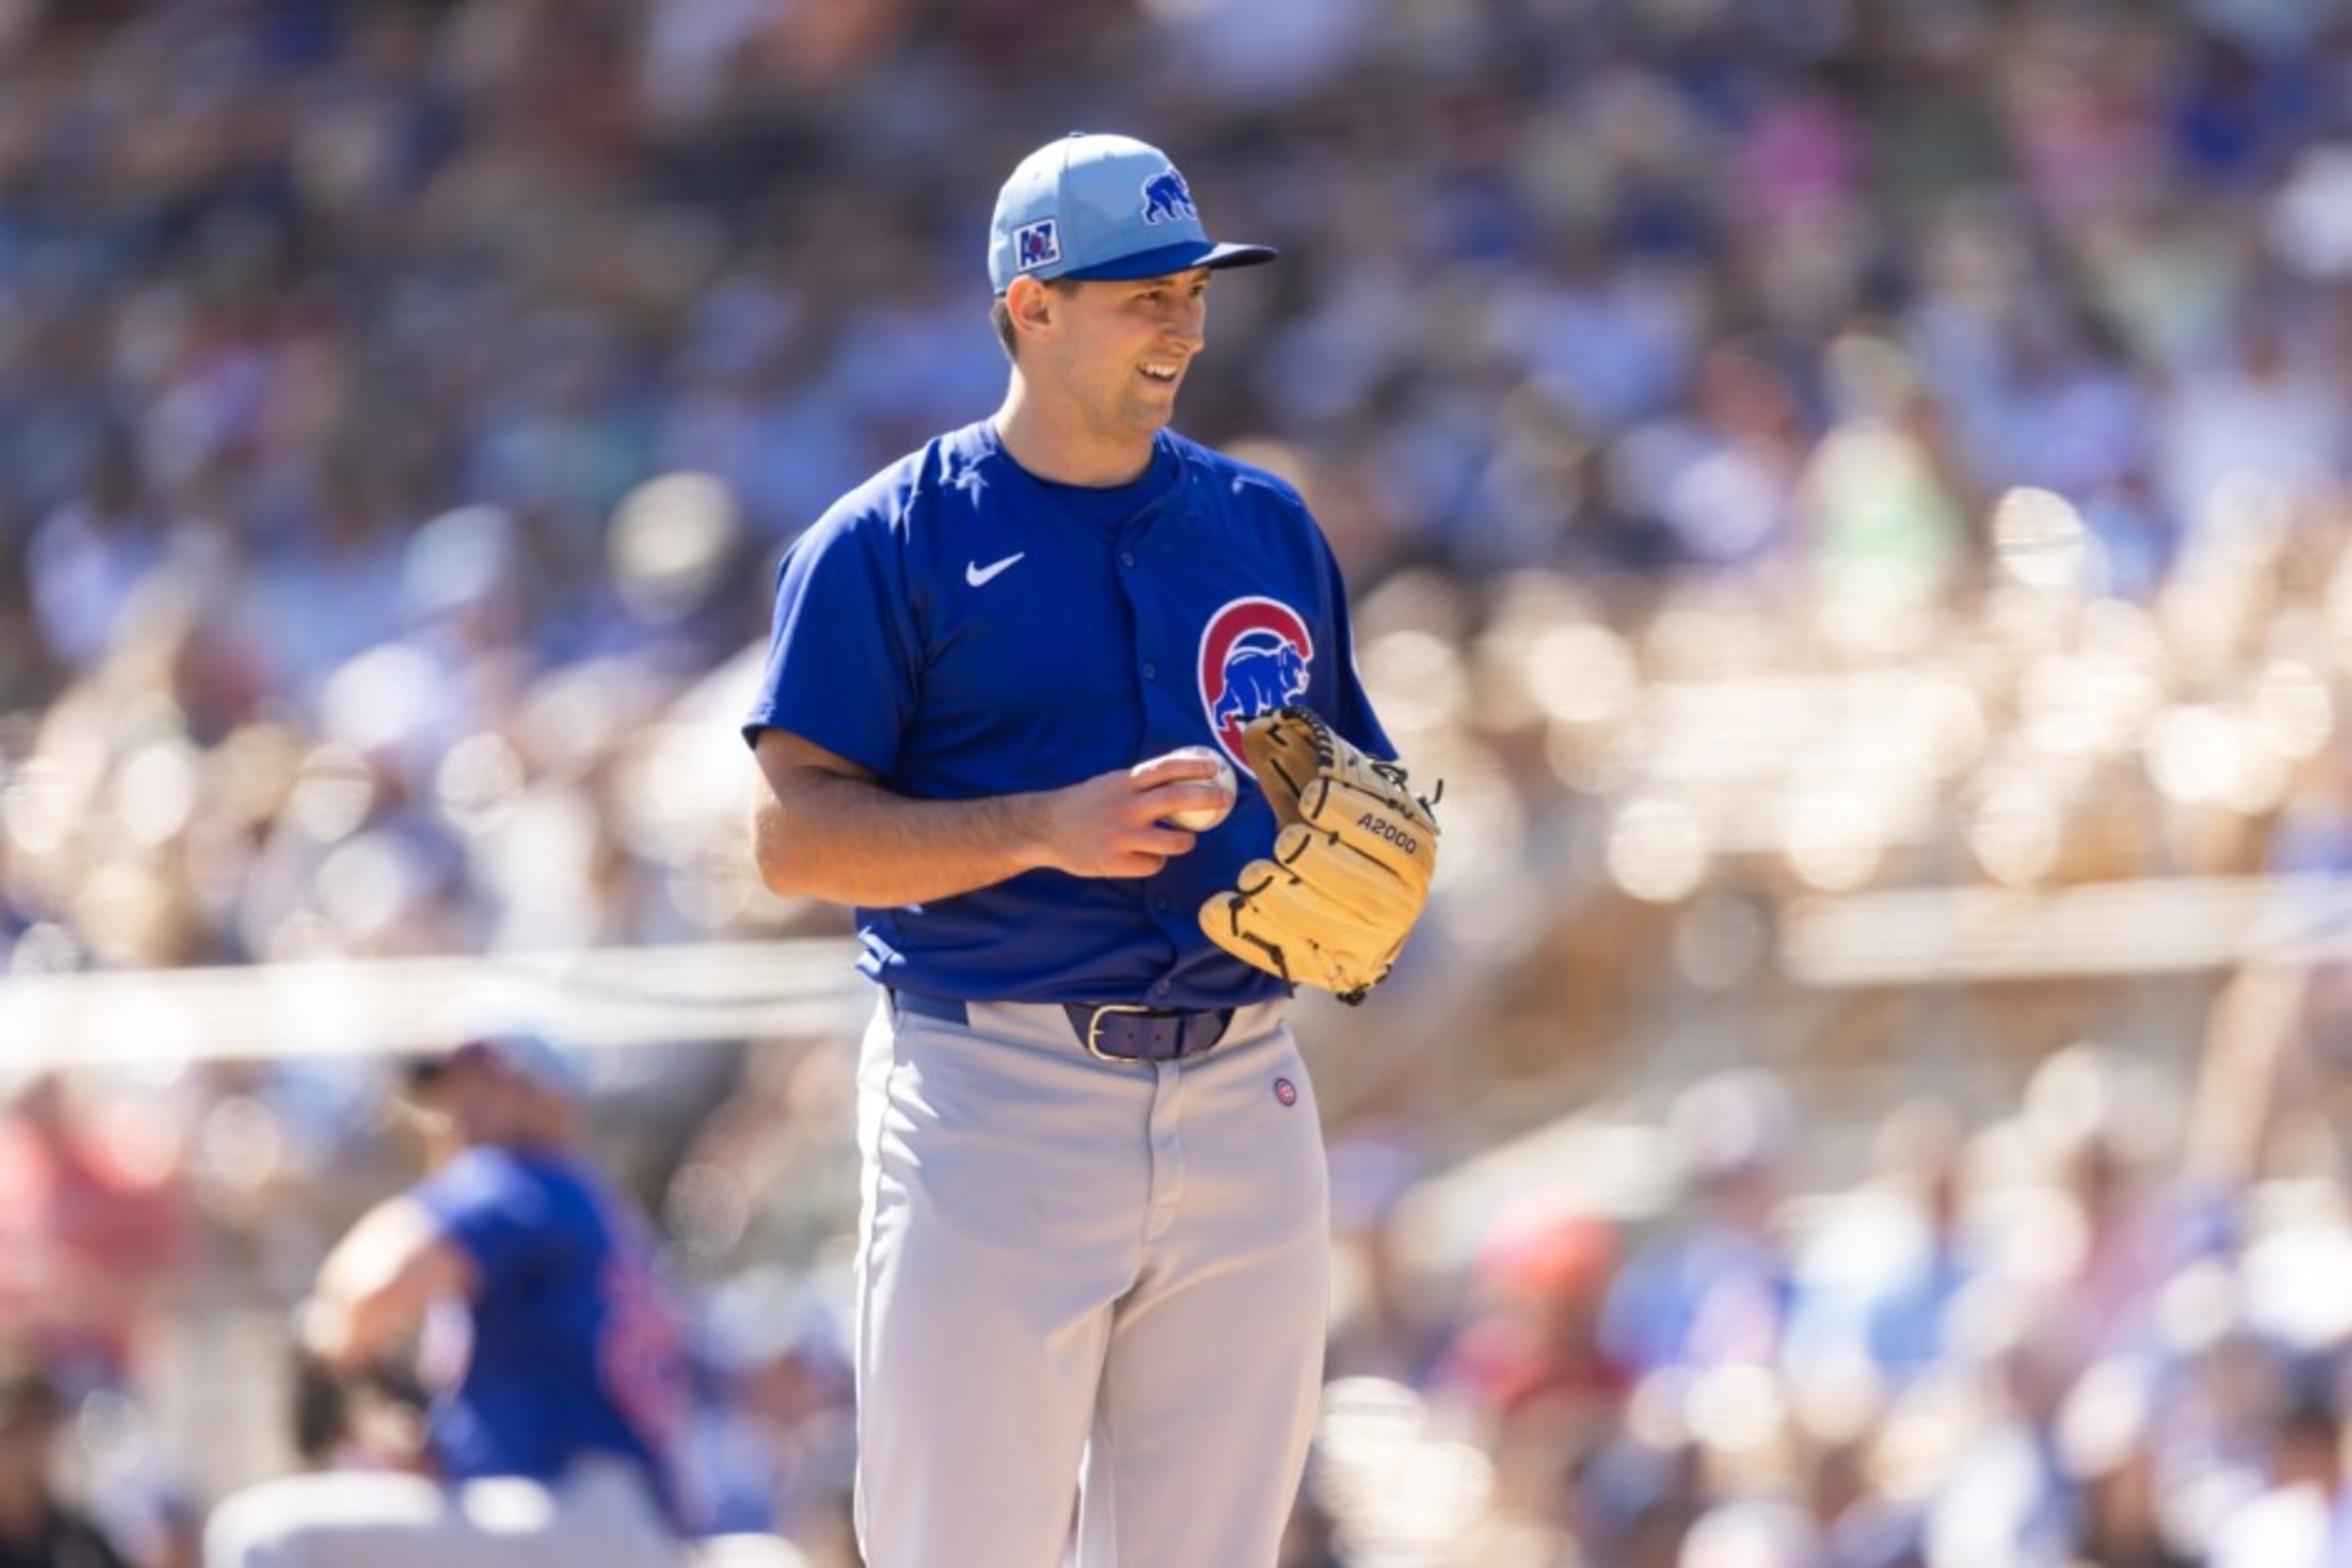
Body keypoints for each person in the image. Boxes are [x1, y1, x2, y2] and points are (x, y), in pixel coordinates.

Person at [742, 131, 1407, 1567]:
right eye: (1139, 291)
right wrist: (1044, 827)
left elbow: (1353, 782)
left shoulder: (1262, 524)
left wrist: (1369, 870)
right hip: (996, 1085)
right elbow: (795, 838)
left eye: (1191, 286)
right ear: (1028, 304)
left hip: (1247, 1080)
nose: (1182, 320)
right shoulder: (890, 541)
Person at [202, 1029, 689, 1568]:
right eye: (453, 1091)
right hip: (602, 1517)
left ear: (554, 1100)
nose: (463, 1109)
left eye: (492, 1086)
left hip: (575, 1514)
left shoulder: (519, 1181)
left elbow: (368, 1287)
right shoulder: (586, 1206)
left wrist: (327, 1337)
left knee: (263, 1538)